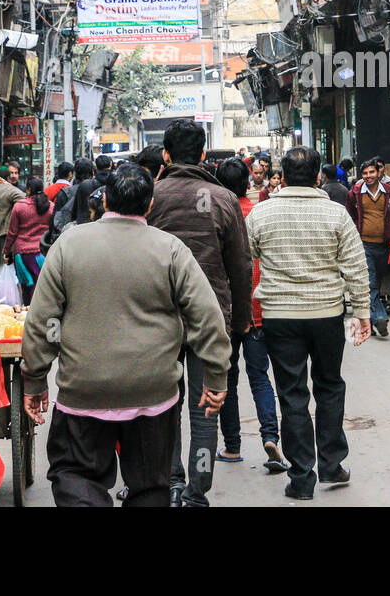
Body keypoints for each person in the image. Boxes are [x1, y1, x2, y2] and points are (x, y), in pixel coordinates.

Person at [21, 164, 231, 507]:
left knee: (75, 476)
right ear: (149, 205)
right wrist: (215, 376)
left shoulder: (68, 244)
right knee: (150, 487)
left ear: (105, 201)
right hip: (153, 393)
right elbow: (207, 317)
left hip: (83, 392)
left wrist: (35, 379)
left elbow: (42, 320)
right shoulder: (171, 249)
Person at [247, 146, 370, 500]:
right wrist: (362, 311)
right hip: (326, 314)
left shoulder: (261, 213)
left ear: (282, 176)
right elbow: (355, 266)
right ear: (318, 176)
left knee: (292, 394)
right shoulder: (336, 214)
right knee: (329, 386)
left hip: (279, 317)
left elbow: (246, 256)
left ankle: (302, 478)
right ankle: (331, 465)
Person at [145, 119, 254, 507]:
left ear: (165, 155)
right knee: (207, 405)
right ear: (204, 155)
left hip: (158, 317)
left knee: (165, 403)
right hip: (212, 318)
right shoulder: (223, 198)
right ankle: (196, 491)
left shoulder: (151, 196)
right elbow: (241, 264)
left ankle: (172, 482)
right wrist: (242, 318)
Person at [213, 158, 287, 473]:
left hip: (226, 313)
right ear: (248, 183)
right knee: (259, 377)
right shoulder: (259, 214)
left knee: (227, 379)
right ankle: (270, 436)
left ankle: (231, 447)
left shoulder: (214, 216)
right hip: (257, 310)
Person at [345, 158, 390, 339]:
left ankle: (370, 320)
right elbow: (350, 214)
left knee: (376, 283)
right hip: (363, 244)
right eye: (365, 173)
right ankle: (380, 317)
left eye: (371, 172)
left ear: (378, 173)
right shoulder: (355, 193)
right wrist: (356, 231)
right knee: (370, 283)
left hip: (384, 244)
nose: (368, 176)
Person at [4, 176, 54, 305]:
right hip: (42, 254)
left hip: (22, 256)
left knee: (27, 288)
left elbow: (12, 232)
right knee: (43, 287)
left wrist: (6, 251)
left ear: (28, 189)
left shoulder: (19, 206)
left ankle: (28, 313)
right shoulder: (50, 206)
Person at [71, 154, 114, 225]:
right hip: (111, 228)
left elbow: (76, 213)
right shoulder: (117, 184)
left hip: (85, 228)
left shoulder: (86, 185)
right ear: (111, 164)